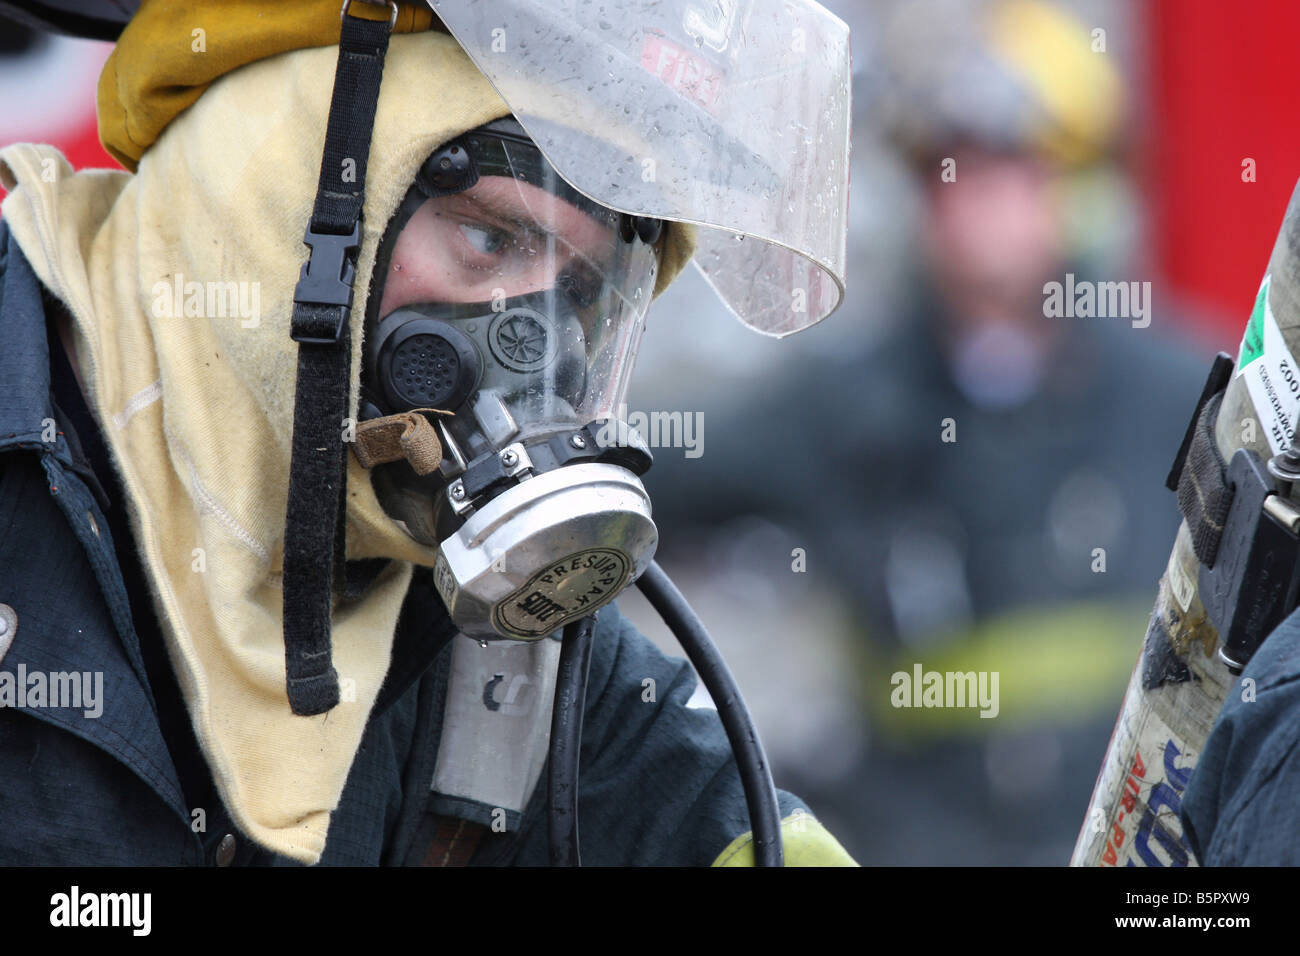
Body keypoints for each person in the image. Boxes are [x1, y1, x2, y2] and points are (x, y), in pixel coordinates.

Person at [0, 0, 855, 866]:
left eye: (585, 292)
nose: (537, 343)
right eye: (491, 237)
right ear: (279, 183)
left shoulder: (517, 665)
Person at [645, 0, 1208, 863]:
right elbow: (649, 480)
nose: (974, 205)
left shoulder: (1182, 396)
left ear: (1076, 186)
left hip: (1140, 847)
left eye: (1009, 169)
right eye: (951, 172)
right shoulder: (844, 405)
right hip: (908, 839)